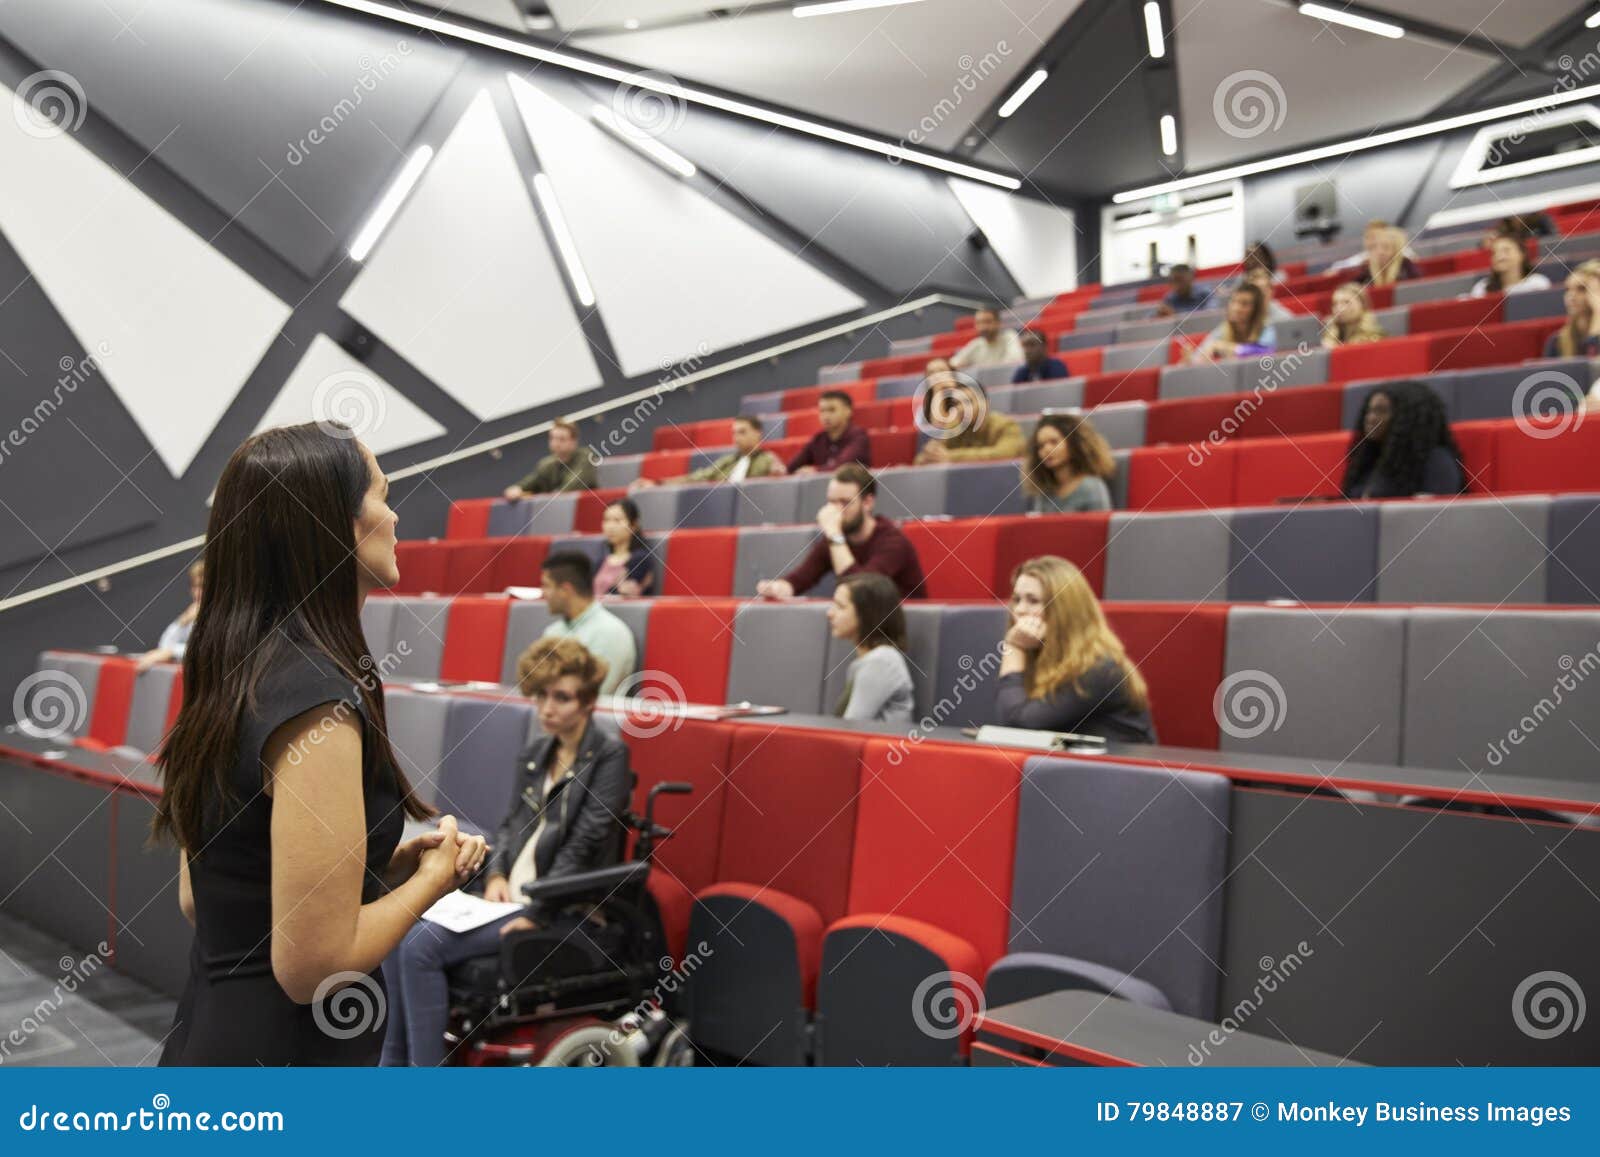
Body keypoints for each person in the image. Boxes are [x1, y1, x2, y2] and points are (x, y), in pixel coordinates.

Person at [154, 423, 484, 1066]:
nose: (393, 515)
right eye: (382, 495)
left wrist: (377, 870)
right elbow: (313, 968)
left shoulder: (233, 670)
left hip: (209, 1036)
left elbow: (209, 897)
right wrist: (434, 880)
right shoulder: (318, 705)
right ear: (335, 523)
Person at [380, 637, 630, 1067]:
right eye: (542, 696)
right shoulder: (535, 754)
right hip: (503, 899)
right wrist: (495, 877)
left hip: (562, 907)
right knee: (396, 930)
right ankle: (392, 1065)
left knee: (421, 948)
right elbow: (510, 828)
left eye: (562, 697)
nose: (547, 707)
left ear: (588, 702)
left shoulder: (609, 756)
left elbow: (587, 841)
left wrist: (538, 908)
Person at [992, 556, 1156, 743]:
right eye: (1016, 599)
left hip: (1118, 769)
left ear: (1064, 610)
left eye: (1033, 600)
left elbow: (1018, 725)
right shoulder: (1036, 656)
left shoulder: (1100, 668)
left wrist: (1014, 647)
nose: (1020, 609)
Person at [756, 464, 925, 601]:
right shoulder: (837, 536)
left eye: (844, 502)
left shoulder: (893, 542)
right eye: (831, 502)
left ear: (867, 502)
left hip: (899, 632)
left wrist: (835, 536)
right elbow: (801, 578)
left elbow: (859, 593)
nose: (835, 511)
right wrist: (779, 587)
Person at [1341, 381, 1466, 500]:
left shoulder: (1437, 461)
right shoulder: (1371, 461)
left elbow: (1435, 514)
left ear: (1406, 418)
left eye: (1381, 411)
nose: (1370, 418)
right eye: (1369, 411)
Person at [538, 552, 636, 694]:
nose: (543, 593)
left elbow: (594, 694)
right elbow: (538, 683)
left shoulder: (612, 632)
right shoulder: (552, 632)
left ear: (566, 590)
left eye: (546, 586)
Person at [826, 573, 914, 725]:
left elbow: (851, 728)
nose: (830, 613)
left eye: (840, 606)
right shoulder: (870, 659)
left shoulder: (882, 661)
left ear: (866, 613)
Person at [631, 415, 783, 489]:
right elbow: (697, 477)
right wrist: (658, 484)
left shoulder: (768, 459)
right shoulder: (728, 461)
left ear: (758, 433)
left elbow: (779, 477)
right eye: (734, 433)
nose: (736, 438)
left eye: (742, 432)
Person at [914, 376, 1025, 464]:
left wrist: (951, 457)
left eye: (968, 401)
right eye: (957, 403)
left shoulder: (1006, 425)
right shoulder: (954, 426)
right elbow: (927, 458)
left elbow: (1004, 453)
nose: (962, 408)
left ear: (985, 404)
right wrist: (928, 457)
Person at [1021, 413, 1115, 514]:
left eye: (1054, 442)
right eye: (1041, 446)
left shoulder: (1092, 487)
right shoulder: (1044, 493)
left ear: (1073, 443)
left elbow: (1100, 527)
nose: (1047, 450)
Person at [136, 560, 203, 672]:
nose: (197, 593)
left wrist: (172, 652)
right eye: (194, 587)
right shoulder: (193, 613)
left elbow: (208, 651)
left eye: (202, 586)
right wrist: (184, 620)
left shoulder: (223, 615)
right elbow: (164, 645)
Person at [503, 419, 596, 499]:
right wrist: (517, 489)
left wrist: (543, 498)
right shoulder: (546, 464)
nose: (556, 443)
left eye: (562, 439)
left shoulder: (586, 457)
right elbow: (529, 482)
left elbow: (569, 488)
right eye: (553, 438)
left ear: (574, 441)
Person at [786, 390, 871, 475]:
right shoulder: (818, 439)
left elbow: (843, 467)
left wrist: (816, 471)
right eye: (822, 411)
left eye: (832, 410)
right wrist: (779, 468)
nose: (826, 416)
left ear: (848, 411)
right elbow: (792, 466)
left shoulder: (858, 436)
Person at [1188, 283, 1276, 363]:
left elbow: (1269, 352)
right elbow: (1199, 356)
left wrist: (1228, 348)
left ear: (1256, 310)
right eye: (1233, 301)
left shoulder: (1266, 328)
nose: (1236, 308)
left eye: (1244, 304)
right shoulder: (1222, 330)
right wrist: (1190, 361)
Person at [594, 499, 656, 598]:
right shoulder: (600, 561)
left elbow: (622, 594)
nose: (610, 526)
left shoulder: (640, 559)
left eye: (617, 520)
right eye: (606, 520)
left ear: (633, 525)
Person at [1544, 261, 1600, 357]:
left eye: (1582, 289)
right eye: (1568, 289)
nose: (1571, 296)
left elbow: (1593, 365)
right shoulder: (1557, 341)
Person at [1469, 234, 1551, 298]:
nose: (1499, 256)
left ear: (1521, 254)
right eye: (1494, 253)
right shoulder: (1482, 288)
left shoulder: (1538, 283)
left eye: (1506, 250)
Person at [949, 306, 1023, 369]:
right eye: (979, 323)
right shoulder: (976, 344)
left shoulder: (1009, 336)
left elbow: (1016, 360)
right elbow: (954, 363)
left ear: (998, 323)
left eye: (987, 322)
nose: (983, 327)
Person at [1320, 283, 1386, 349]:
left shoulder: (1375, 337)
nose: (1339, 308)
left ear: (1362, 305)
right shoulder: (1329, 338)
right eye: (1335, 304)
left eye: (1346, 302)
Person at [1349, 226, 1418, 287]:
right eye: (1374, 247)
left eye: (1386, 247)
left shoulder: (1407, 269)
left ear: (1396, 250)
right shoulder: (1366, 270)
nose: (1380, 252)